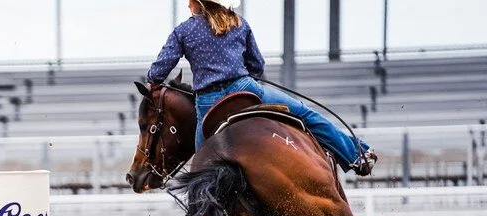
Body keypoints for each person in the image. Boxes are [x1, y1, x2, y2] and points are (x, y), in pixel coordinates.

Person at [146, 0, 377, 176]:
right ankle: (357, 156)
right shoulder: (239, 23)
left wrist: (152, 80)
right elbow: (257, 64)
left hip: (208, 102)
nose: (187, 4)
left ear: (199, 3)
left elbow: (159, 70)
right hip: (245, 89)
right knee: (306, 114)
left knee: (201, 168)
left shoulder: (183, 31)